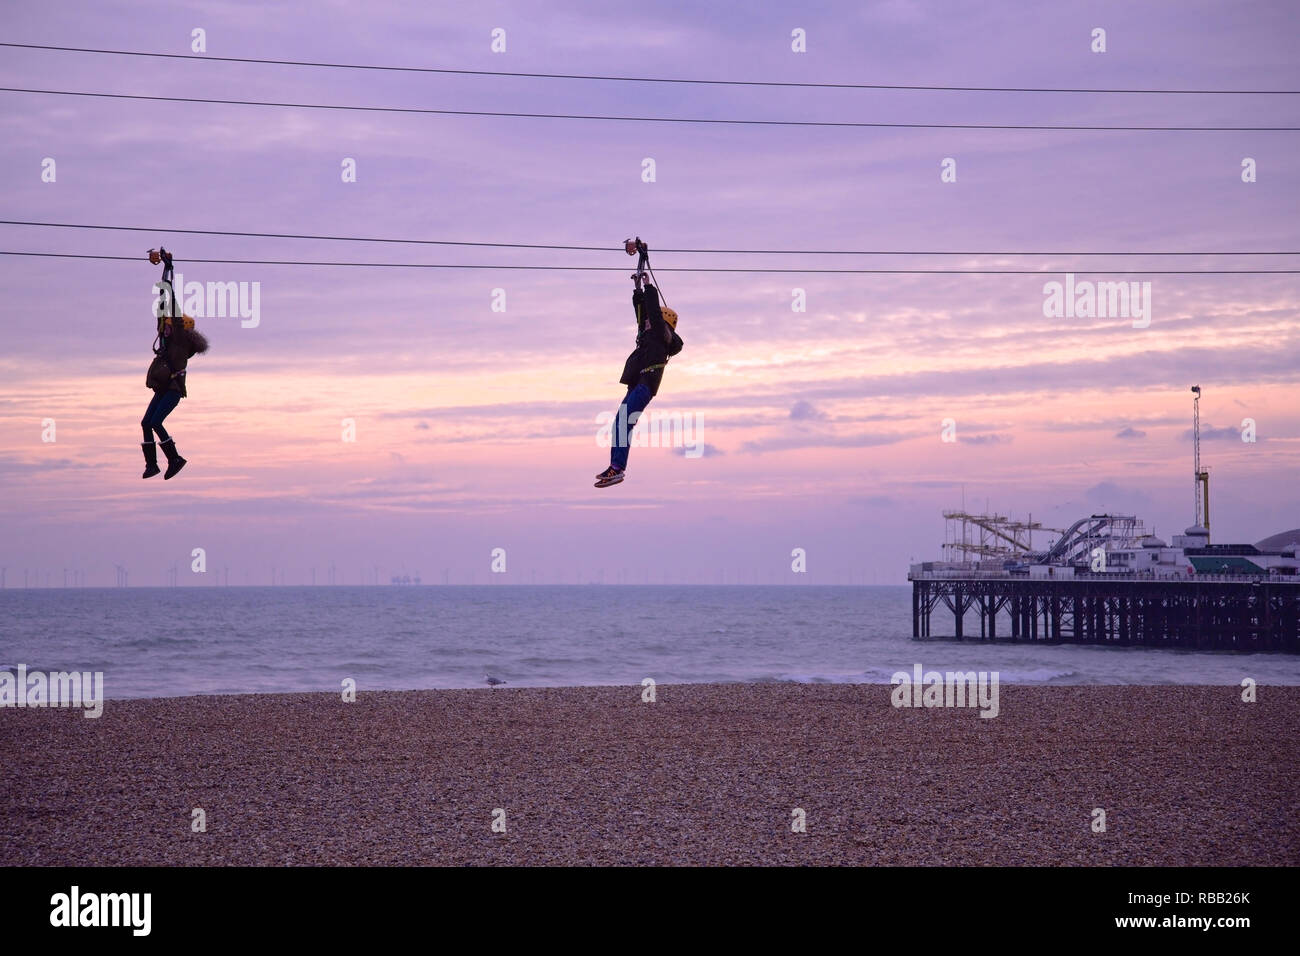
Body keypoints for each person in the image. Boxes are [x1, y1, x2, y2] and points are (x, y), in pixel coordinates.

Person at [595, 270, 681, 488]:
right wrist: (637, 291)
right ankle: (614, 466)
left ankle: (618, 469)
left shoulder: (662, 336)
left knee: (624, 423)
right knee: (619, 424)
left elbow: (651, 313)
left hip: (645, 386)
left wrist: (649, 287)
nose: (648, 324)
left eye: (654, 321)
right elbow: (642, 316)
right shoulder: (649, 335)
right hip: (637, 384)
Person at [140, 308, 208, 479]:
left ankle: (175, 459)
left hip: (173, 391)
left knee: (156, 422)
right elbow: (162, 323)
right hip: (163, 390)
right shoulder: (167, 343)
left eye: (169, 327)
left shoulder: (180, 343)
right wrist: (163, 299)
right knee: (146, 423)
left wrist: (171, 297)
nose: (166, 330)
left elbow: (175, 323)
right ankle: (152, 465)